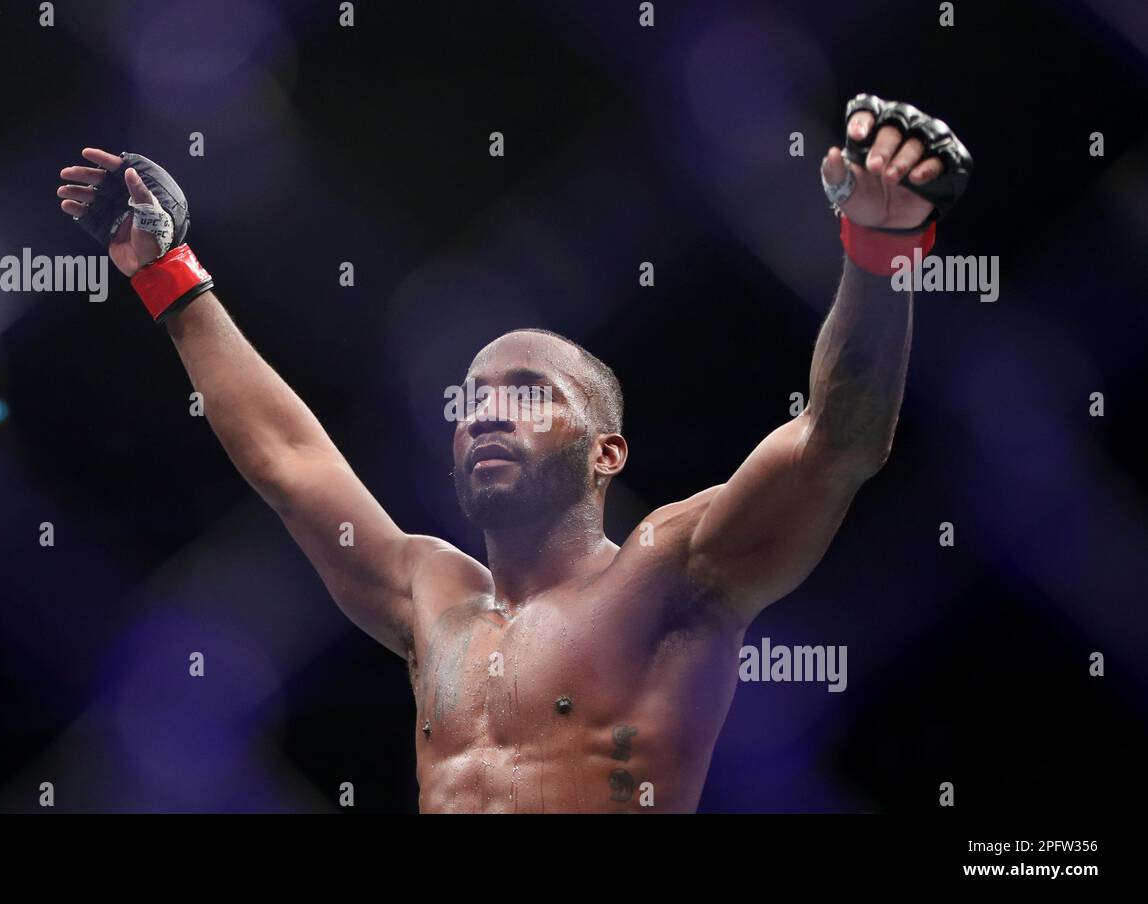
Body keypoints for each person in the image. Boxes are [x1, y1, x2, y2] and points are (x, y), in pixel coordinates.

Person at [57, 94, 971, 812]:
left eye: (531, 394)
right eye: (476, 399)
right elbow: (290, 462)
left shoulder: (676, 573)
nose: (490, 414)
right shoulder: (430, 594)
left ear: (609, 452)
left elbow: (839, 437)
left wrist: (880, 249)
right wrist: (166, 274)